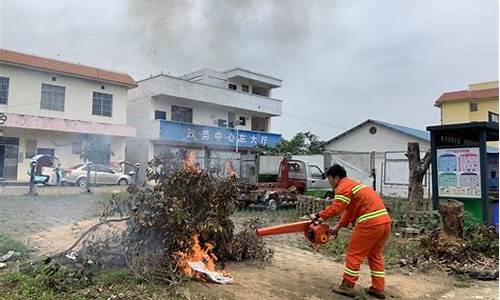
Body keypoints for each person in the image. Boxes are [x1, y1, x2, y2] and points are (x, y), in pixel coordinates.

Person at [311, 164, 391, 299]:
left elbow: (336, 207)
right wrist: (337, 228)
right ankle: (378, 288)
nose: (329, 183)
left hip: (369, 222)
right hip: (384, 222)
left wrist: (319, 216)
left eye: (329, 179)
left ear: (336, 177)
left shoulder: (343, 186)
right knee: (375, 255)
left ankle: (347, 286)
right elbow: (349, 211)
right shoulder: (354, 186)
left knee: (354, 254)